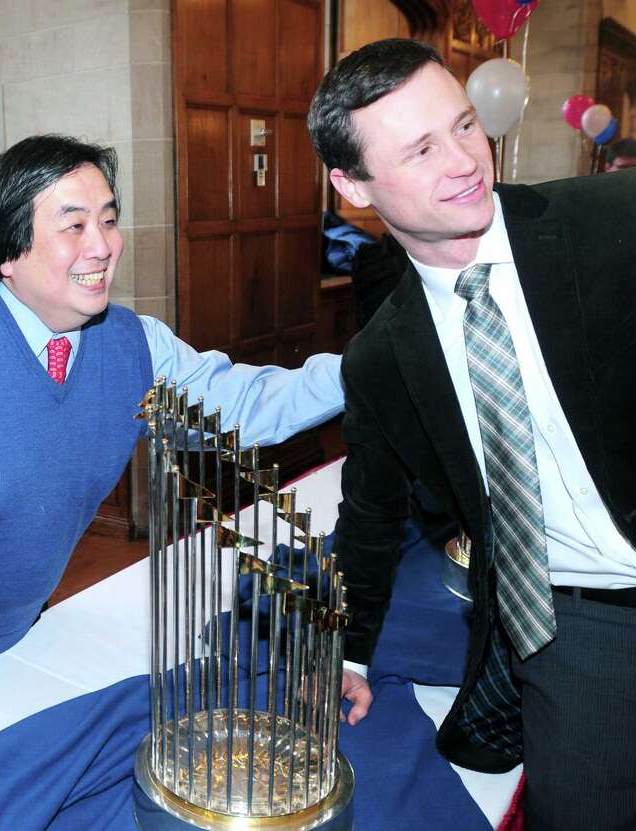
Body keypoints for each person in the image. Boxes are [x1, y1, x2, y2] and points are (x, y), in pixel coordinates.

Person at [0, 134, 345, 788]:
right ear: (10, 250)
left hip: (15, 632)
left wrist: (365, 372)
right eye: (74, 225)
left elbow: (243, 403)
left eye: (110, 219)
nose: (104, 244)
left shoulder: (134, 345)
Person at [308, 39, 636, 830]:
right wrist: (348, 653)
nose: (464, 160)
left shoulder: (612, 222)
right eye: (420, 149)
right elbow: (372, 518)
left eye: (462, 127)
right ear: (352, 185)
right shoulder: (383, 357)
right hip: (582, 621)